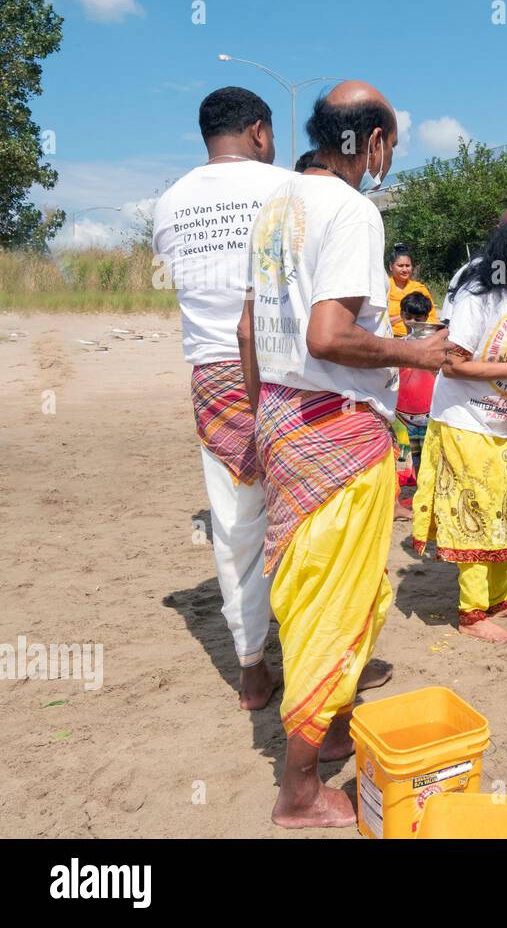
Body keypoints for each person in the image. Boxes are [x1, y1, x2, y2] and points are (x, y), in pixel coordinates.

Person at [240, 80, 450, 828]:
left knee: (314, 588)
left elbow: (247, 332)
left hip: (282, 416)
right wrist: (415, 351)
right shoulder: (354, 210)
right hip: (335, 424)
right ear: (376, 143)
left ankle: (328, 728)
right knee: (338, 597)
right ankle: (298, 792)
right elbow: (329, 337)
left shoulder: (276, 205)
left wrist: (254, 428)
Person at [152, 87, 292, 711]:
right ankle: (327, 653)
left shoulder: (169, 200)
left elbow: (178, 282)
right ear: (259, 132)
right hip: (291, 367)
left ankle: (252, 667)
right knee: (309, 516)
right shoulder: (287, 188)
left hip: (213, 374)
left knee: (236, 528)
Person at [410, 211, 507, 644]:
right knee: (476, 512)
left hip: (503, 420)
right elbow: (452, 364)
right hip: (462, 419)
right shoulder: (480, 295)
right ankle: (471, 612)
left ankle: (500, 600)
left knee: (505, 508)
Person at [395, 291, 437, 477]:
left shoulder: (434, 348)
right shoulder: (395, 346)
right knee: (409, 460)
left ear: (427, 318)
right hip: (403, 416)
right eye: (408, 317)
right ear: (402, 315)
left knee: (431, 459)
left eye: (418, 318)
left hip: (429, 414)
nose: (412, 322)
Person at [385, 244, 434, 337]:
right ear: (391, 267)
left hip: (416, 338)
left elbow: (431, 319)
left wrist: (405, 317)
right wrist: (402, 317)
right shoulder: (383, 288)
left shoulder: (420, 289)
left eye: (408, 265)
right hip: (388, 339)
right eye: (400, 265)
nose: (405, 269)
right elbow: (378, 321)